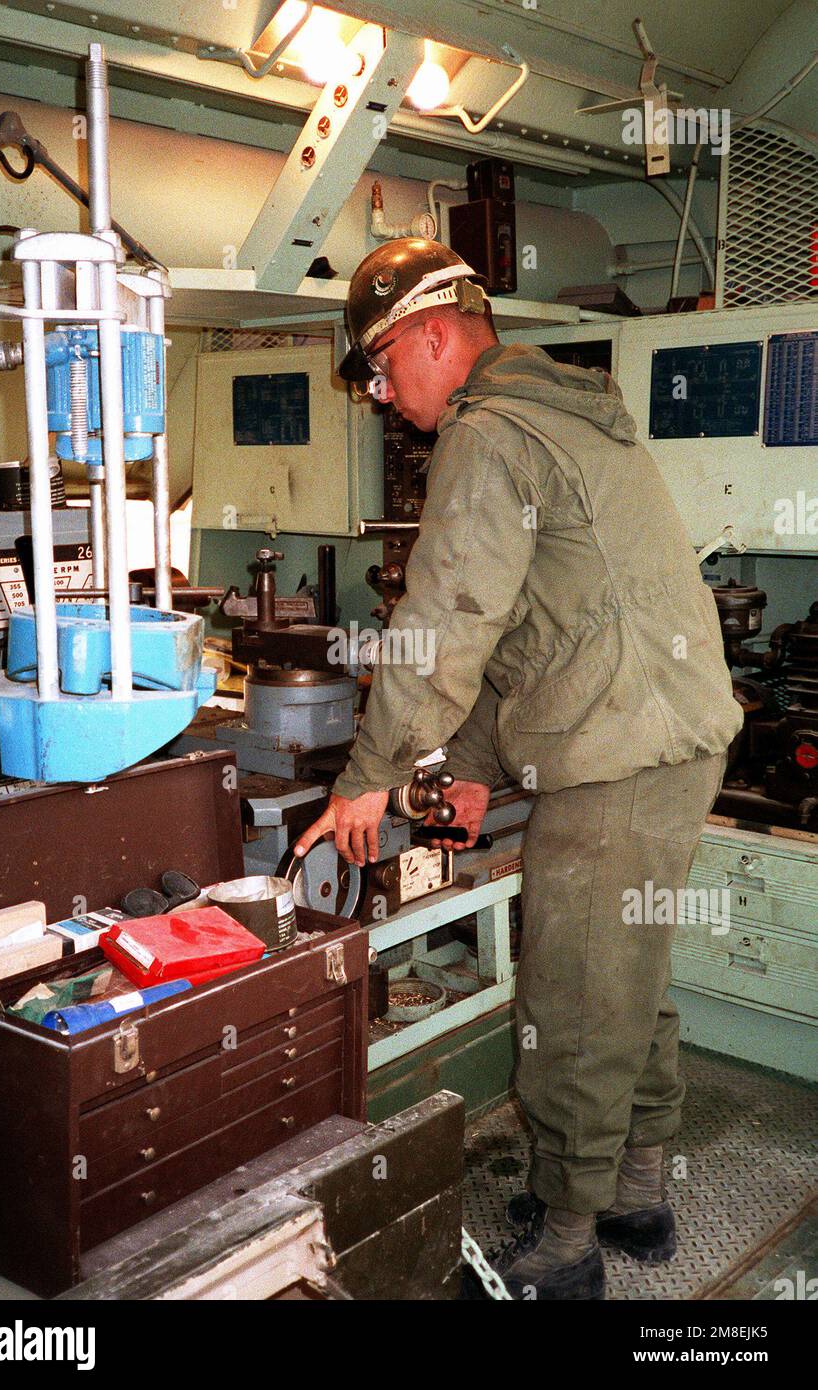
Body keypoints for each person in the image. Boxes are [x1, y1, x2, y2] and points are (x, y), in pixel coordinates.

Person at [293, 237, 743, 1299]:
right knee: (622, 970)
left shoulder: (487, 436)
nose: (378, 391)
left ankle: (568, 1240)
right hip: (658, 735)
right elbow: (530, 631)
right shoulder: (560, 411)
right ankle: (632, 1184)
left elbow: (444, 624)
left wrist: (369, 772)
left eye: (380, 365)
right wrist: (481, 765)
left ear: (436, 335)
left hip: (618, 746)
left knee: (575, 987)